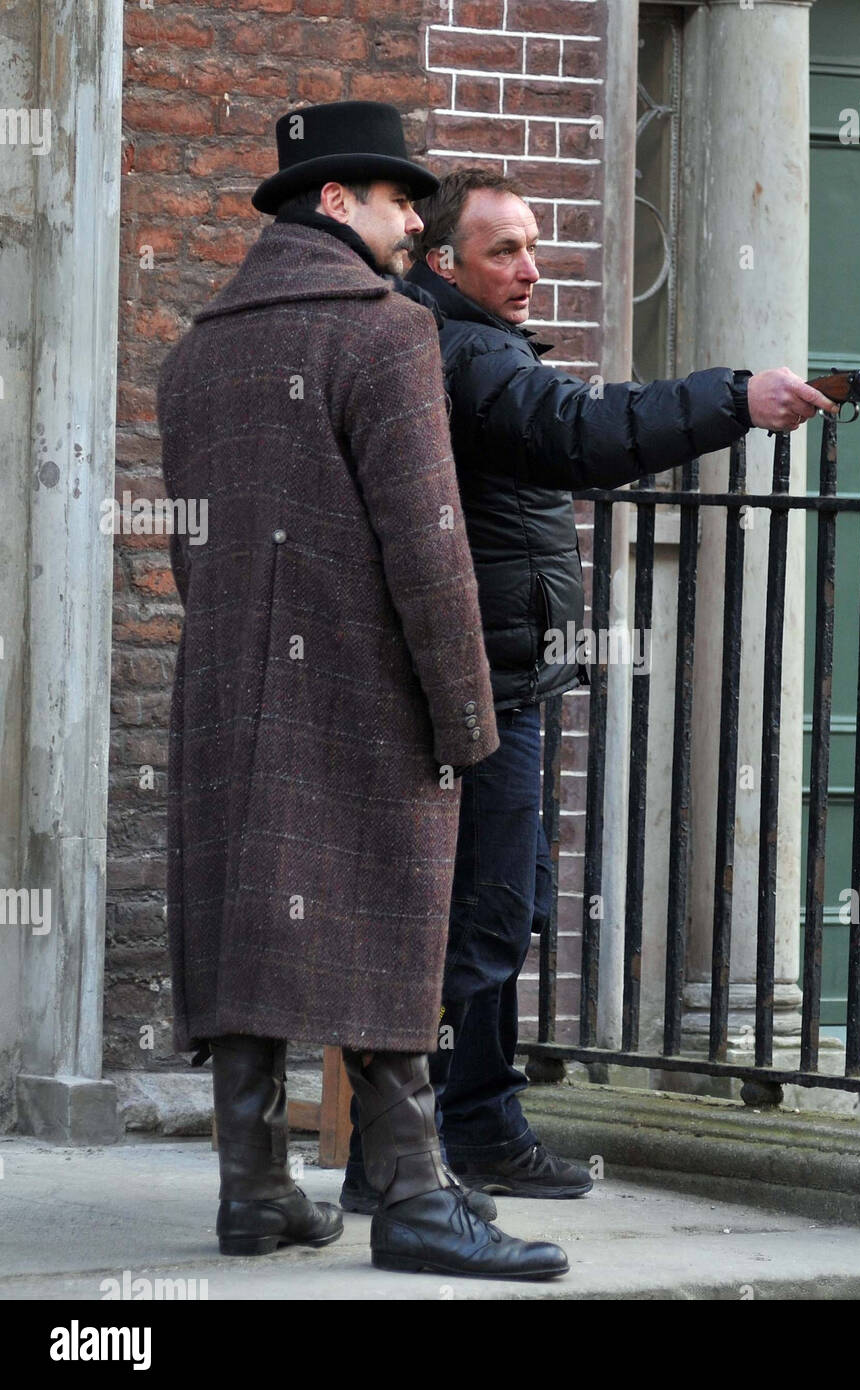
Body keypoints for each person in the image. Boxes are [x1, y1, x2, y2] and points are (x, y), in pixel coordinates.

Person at [340, 167, 835, 1210]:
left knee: (492, 916)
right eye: (504, 252)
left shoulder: (463, 340)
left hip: (503, 676)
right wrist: (732, 397)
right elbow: (582, 434)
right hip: (482, 689)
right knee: (477, 922)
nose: (529, 271)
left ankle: (469, 1128)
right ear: (443, 263)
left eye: (531, 247)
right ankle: (409, 1154)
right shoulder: (467, 351)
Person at [157, 103, 567, 1280]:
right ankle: (417, 1201)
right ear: (335, 203)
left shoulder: (197, 349)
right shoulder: (382, 334)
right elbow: (429, 545)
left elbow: (193, 550)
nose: (411, 226)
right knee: (382, 923)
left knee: (250, 917)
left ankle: (255, 1187)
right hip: (362, 689)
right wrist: (465, 716)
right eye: (399, 204)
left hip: (225, 685)